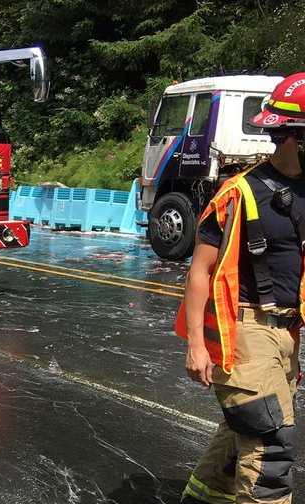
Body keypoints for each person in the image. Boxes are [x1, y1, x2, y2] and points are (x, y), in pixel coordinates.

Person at [177, 73, 305, 504]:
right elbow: (200, 271)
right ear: (294, 136)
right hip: (245, 334)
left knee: (242, 435)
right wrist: (197, 344)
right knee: (270, 446)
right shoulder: (240, 193)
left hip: (286, 335)